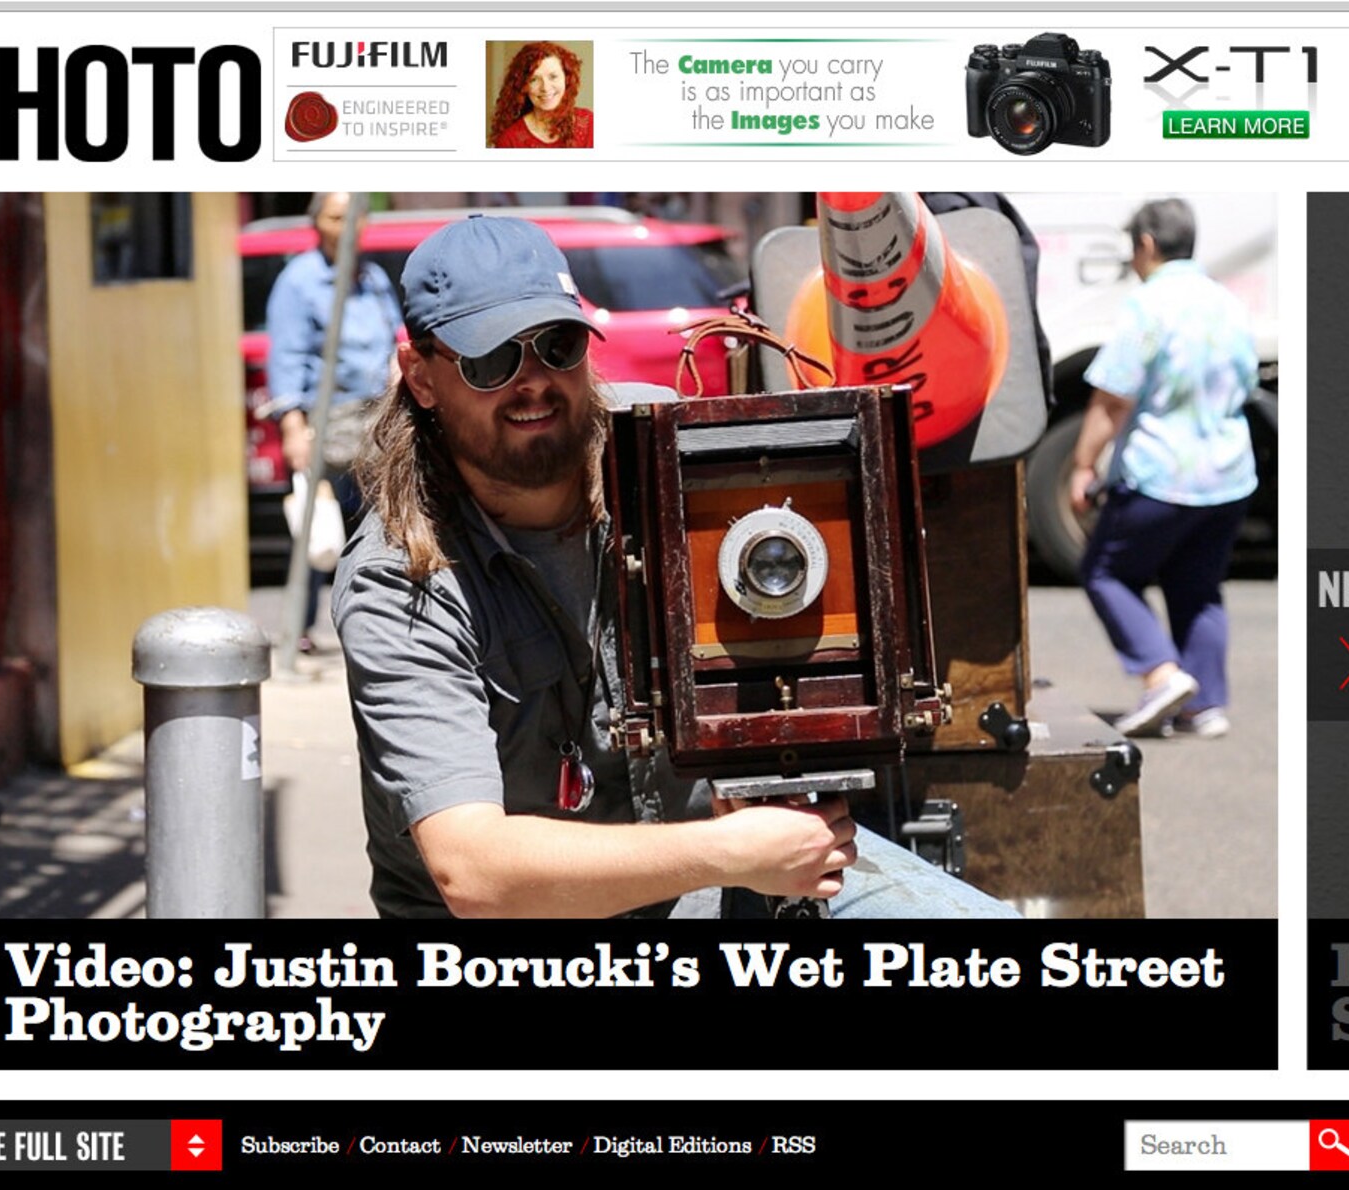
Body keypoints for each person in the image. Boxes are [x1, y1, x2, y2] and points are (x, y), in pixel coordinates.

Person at [334, 214, 1017, 920]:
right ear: (421, 377)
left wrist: (763, 772)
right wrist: (731, 849)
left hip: (715, 879)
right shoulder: (400, 578)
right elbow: (474, 873)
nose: (532, 382)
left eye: (557, 346)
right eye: (490, 361)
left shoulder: (665, 452)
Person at [1070, 198, 1258, 738]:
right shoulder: (1229, 303)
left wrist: (1083, 466)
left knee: (1105, 572)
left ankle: (1161, 674)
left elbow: (1112, 398)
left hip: (1161, 472)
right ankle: (1206, 706)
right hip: (1228, 473)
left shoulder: (1148, 306)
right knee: (1197, 585)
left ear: (1147, 245)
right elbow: (1245, 383)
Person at [265, 191, 403, 650]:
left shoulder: (374, 278)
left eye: (355, 218)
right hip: (326, 419)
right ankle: (297, 630)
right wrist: (293, 426)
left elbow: (391, 341)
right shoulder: (299, 281)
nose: (348, 227)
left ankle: (379, 621)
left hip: (374, 417)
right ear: (317, 224)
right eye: (336, 217)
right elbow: (286, 355)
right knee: (316, 525)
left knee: (384, 522)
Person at [490, 42, 594, 149]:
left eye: (553, 76)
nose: (545, 88)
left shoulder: (590, 123)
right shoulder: (509, 141)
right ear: (523, 86)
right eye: (534, 79)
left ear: (567, 79)